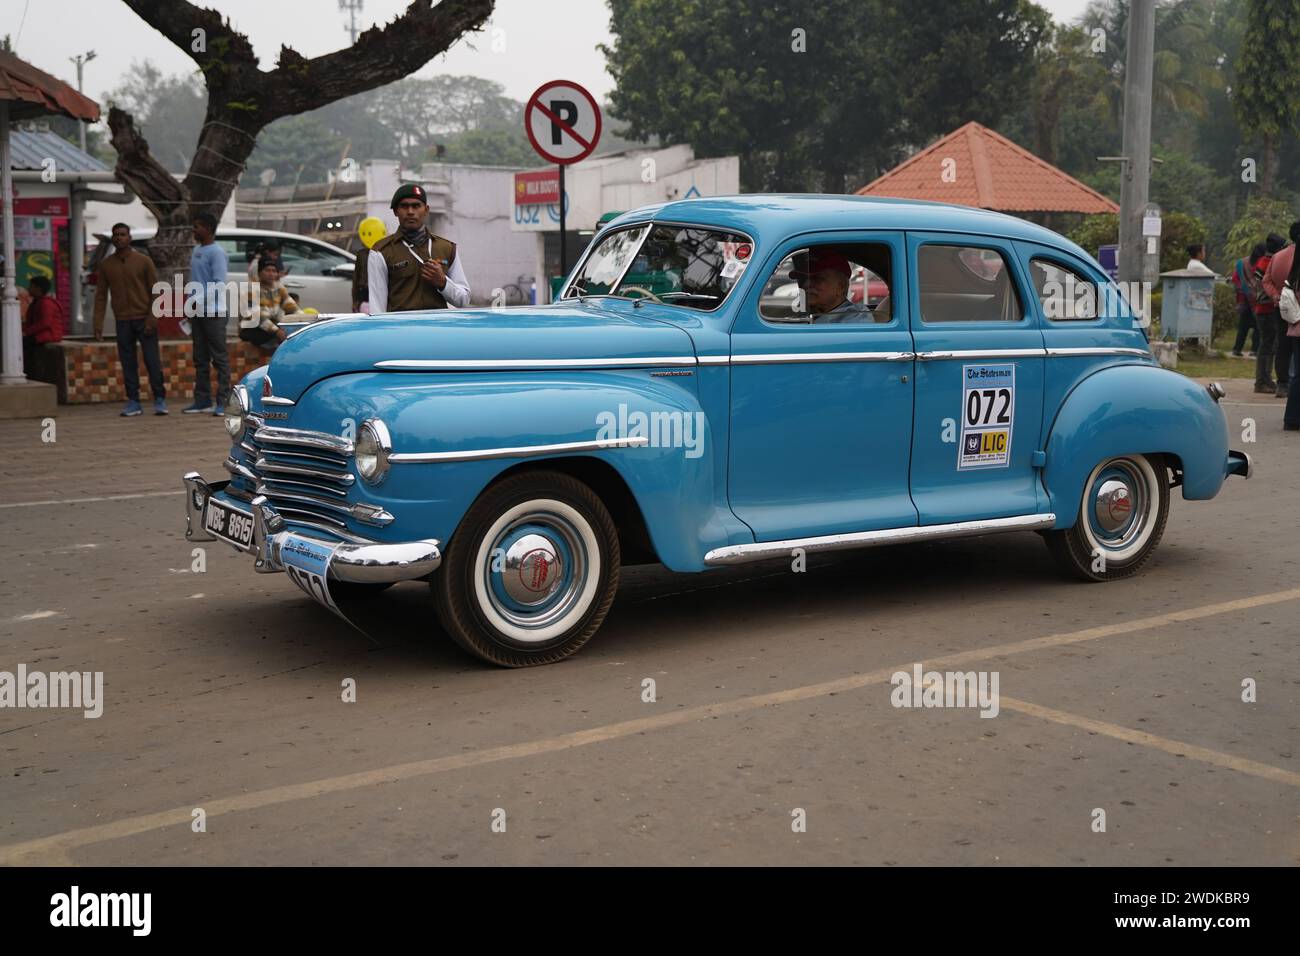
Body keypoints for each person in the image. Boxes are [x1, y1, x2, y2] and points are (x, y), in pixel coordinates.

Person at [92, 222, 166, 416]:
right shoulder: (106, 265)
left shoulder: (143, 261)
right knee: (128, 362)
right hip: (123, 320)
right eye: (116, 235)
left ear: (129, 238)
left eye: (123, 234)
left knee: (152, 361)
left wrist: (152, 316)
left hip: (144, 318)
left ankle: (159, 398)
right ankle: (133, 401)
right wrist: (97, 323)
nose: (119, 238)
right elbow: (100, 295)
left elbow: (156, 291)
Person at [367, 183, 470, 313]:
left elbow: (463, 300)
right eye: (404, 206)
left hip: (439, 329)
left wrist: (442, 282)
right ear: (395, 211)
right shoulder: (381, 251)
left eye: (416, 206)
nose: (410, 212)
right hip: (401, 330)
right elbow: (377, 309)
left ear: (426, 210)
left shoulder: (447, 248)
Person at [183, 212, 230, 416]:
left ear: (209, 229)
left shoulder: (217, 252)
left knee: (219, 359)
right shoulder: (197, 250)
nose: (194, 230)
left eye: (197, 226)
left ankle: (223, 402)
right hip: (197, 312)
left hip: (214, 313)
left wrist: (197, 300)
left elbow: (219, 283)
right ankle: (201, 400)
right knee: (200, 358)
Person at [1263, 222, 1300, 399]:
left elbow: (1266, 280)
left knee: (1283, 345)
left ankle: (1282, 384)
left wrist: (1276, 296)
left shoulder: (1277, 256)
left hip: (1282, 307)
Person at [791, 250, 866, 323]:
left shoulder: (854, 323)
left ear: (841, 287)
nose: (806, 284)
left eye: (817, 278)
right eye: (804, 278)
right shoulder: (806, 314)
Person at [241, 257, 298, 352]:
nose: (271, 274)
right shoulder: (251, 290)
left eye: (274, 271)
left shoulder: (279, 288)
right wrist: (277, 331)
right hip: (255, 328)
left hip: (274, 327)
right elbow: (258, 318)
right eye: (267, 270)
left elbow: (292, 307)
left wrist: (305, 320)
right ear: (260, 273)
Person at [1252, 235, 1284, 395]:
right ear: (1279, 248)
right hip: (1267, 309)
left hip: (1261, 309)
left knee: (1266, 345)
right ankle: (1262, 381)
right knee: (1268, 346)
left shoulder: (1261, 261)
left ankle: (1265, 379)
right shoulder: (1270, 263)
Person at [21, 275, 64, 374]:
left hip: (49, 335)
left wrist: (26, 332)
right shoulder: (37, 302)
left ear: (38, 288)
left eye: (31, 286)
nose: (28, 288)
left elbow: (45, 323)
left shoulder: (46, 303)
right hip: (41, 334)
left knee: (22, 344)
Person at [1231, 243, 1264, 357]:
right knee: (1258, 327)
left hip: (1243, 300)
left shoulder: (1241, 263)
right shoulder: (1262, 263)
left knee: (1243, 327)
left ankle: (1237, 349)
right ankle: (1254, 350)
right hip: (1257, 300)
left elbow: (1235, 279)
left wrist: (1245, 289)